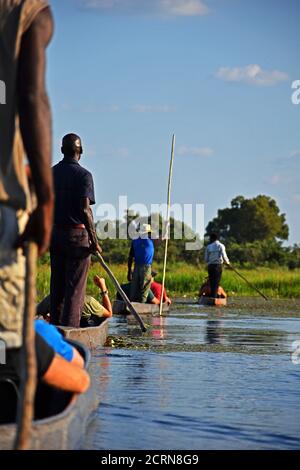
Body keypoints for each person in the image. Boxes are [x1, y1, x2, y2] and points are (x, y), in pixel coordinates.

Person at [0, 1, 90, 399]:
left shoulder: (52, 170)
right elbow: (32, 95)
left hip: (56, 237)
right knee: (75, 285)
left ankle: (53, 323)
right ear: (80, 151)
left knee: (57, 279)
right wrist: (48, 208)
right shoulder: (29, 11)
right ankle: (64, 330)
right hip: (71, 233)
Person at [50, 134, 102, 328]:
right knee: (75, 289)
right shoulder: (84, 176)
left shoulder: (51, 174)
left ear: (62, 150)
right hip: (77, 237)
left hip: (55, 235)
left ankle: (55, 330)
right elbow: (84, 210)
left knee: (57, 286)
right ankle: (70, 332)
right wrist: (94, 241)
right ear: (80, 152)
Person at [39, 276, 112, 326]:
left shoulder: (50, 299)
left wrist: (46, 317)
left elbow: (33, 314)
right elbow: (109, 313)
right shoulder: (88, 301)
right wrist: (103, 287)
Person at [127, 224, 156, 303]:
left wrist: (129, 271)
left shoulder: (136, 241)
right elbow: (130, 256)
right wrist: (129, 271)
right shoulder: (149, 240)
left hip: (137, 267)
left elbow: (130, 257)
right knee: (144, 288)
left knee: (135, 287)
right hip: (144, 267)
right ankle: (139, 305)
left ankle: (134, 303)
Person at [204, 233, 230, 298]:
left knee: (212, 282)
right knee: (216, 282)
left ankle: (213, 297)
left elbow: (206, 259)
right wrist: (228, 263)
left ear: (212, 239)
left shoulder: (208, 247)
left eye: (210, 239)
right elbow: (224, 256)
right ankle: (214, 297)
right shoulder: (221, 246)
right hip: (217, 266)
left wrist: (211, 260)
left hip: (210, 267)